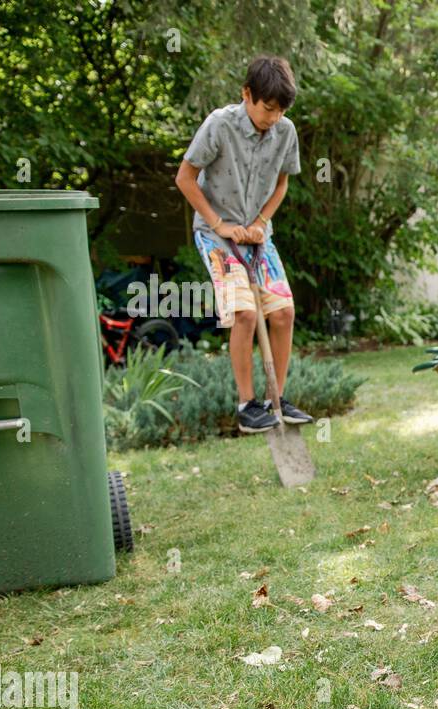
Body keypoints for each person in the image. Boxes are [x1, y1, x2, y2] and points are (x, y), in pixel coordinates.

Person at [174, 54, 311, 434]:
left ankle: (276, 399)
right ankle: (247, 405)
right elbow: (185, 178)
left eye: (280, 111)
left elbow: (282, 183)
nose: (273, 118)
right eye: (267, 108)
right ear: (246, 94)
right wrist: (222, 224)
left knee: (283, 312)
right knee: (246, 313)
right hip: (216, 234)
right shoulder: (219, 125)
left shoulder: (286, 132)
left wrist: (261, 221)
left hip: (257, 233)